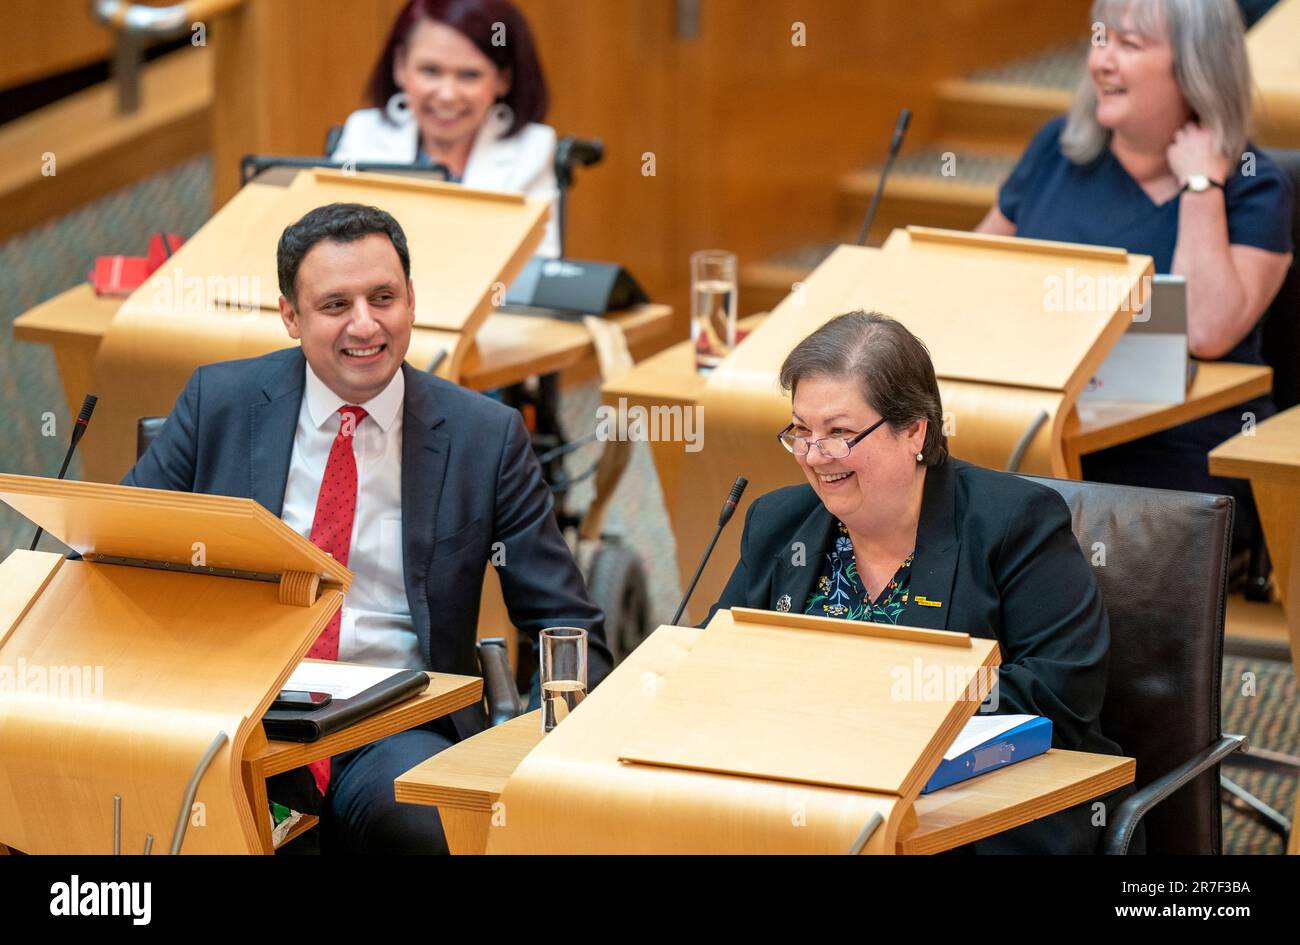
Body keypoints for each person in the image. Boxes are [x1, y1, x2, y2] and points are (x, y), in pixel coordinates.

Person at [123, 202, 610, 852]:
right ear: (290, 316)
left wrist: (526, 751)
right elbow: (118, 554)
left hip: (391, 721)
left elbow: (566, 623)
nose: (365, 324)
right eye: (334, 305)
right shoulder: (220, 402)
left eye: (385, 297)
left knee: (431, 832)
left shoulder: (482, 437)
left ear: (412, 300)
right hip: (236, 714)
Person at [709, 311, 1134, 854]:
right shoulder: (778, 523)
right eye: (800, 431)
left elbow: (1062, 694)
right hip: (811, 805)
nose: (814, 457)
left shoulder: (1014, 522)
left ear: (914, 430)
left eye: (839, 433)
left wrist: (872, 705)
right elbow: (713, 664)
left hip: (981, 818)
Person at [976, 0, 1294, 554]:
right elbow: (963, 273)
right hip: (1038, 431)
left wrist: (1200, 187)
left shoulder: (1251, 186)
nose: (1100, 60)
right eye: (1100, 39)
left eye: (1129, 44)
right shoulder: (1056, 150)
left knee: (1032, 544)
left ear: (1195, 68)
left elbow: (1207, 329)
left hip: (1175, 456)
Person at [331, 0, 561, 257]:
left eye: (469, 75)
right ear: (400, 67)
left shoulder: (532, 148)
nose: (447, 95)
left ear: (503, 79)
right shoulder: (364, 133)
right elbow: (331, 248)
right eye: (430, 70)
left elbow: (537, 270)